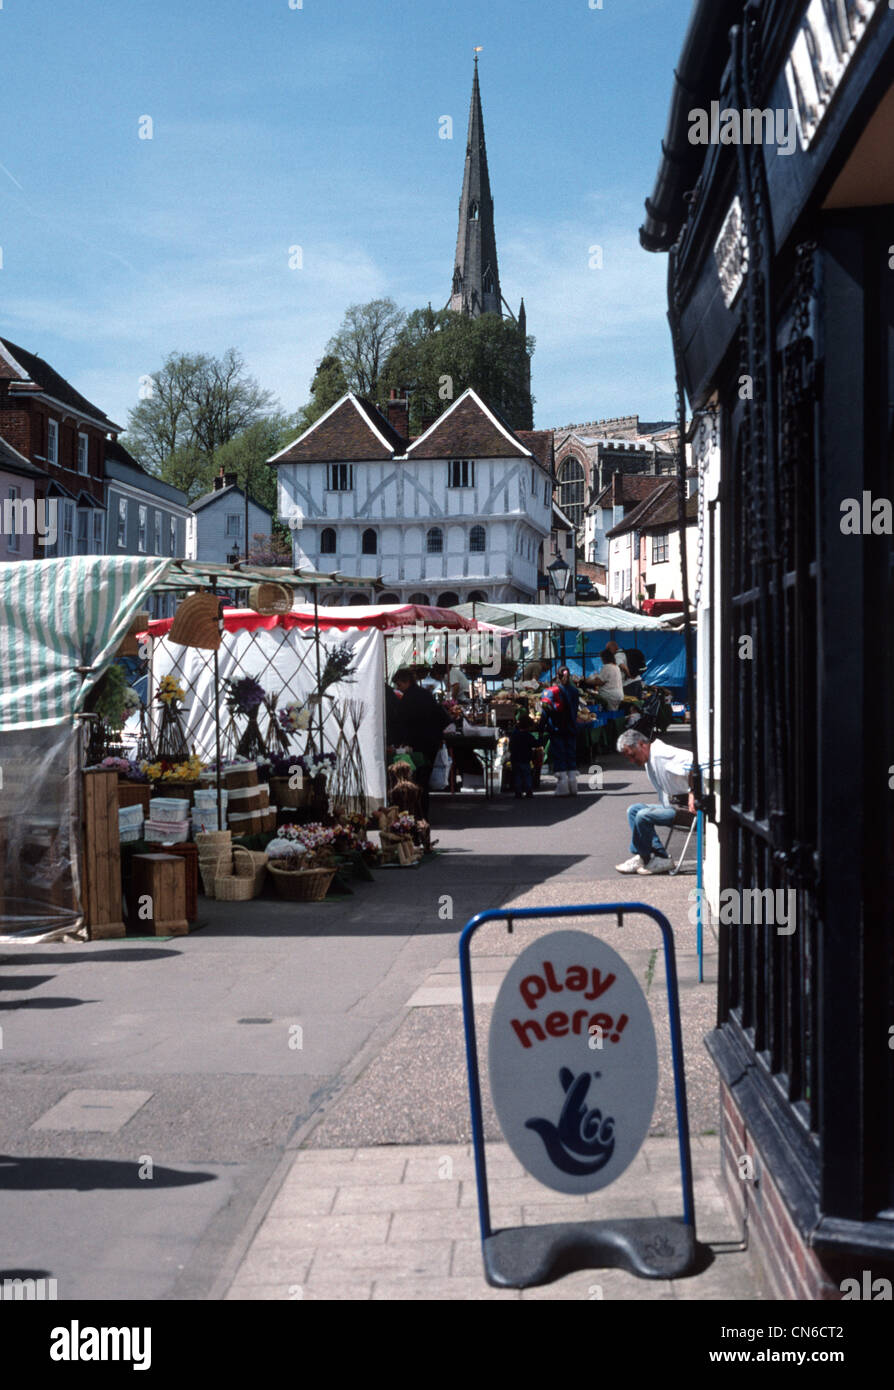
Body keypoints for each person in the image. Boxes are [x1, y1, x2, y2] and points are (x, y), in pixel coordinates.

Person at [614, 728, 695, 875]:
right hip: (674, 805)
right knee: (634, 810)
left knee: (643, 815)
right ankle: (644, 857)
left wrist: (693, 793)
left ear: (642, 745)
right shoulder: (649, 758)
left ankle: (661, 857)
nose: (632, 761)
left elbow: (695, 762)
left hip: (689, 810)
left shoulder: (662, 754)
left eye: (632, 755)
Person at [392, 667, 452, 816]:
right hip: (431, 743)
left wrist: (401, 742)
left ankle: (416, 812)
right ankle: (423, 812)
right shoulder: (426, 695)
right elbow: (443, 717)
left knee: (415, 780)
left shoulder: (408, 699)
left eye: (399, 685)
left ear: (406, 682)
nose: (398, 688)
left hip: (416, 745)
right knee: (424, 780)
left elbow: (402, 723)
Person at [541, 665, 580, 796]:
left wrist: (541, 726)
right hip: (571, 727)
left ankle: (562, 785)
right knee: (571, 754)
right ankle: (573, 783)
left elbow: (545, 712)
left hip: (556, 728)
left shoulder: (550, 692)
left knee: (560, 754)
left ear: (557, 676)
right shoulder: (575, 691)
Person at [508, 714, 536, 799]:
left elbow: (510, 746)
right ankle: (528, 791)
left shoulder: (514, 735)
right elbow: (535, 743)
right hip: (525, 759)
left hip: (515, 759)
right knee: (527, 775)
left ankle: (518, 792)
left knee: (517, 776)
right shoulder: (528, 736)